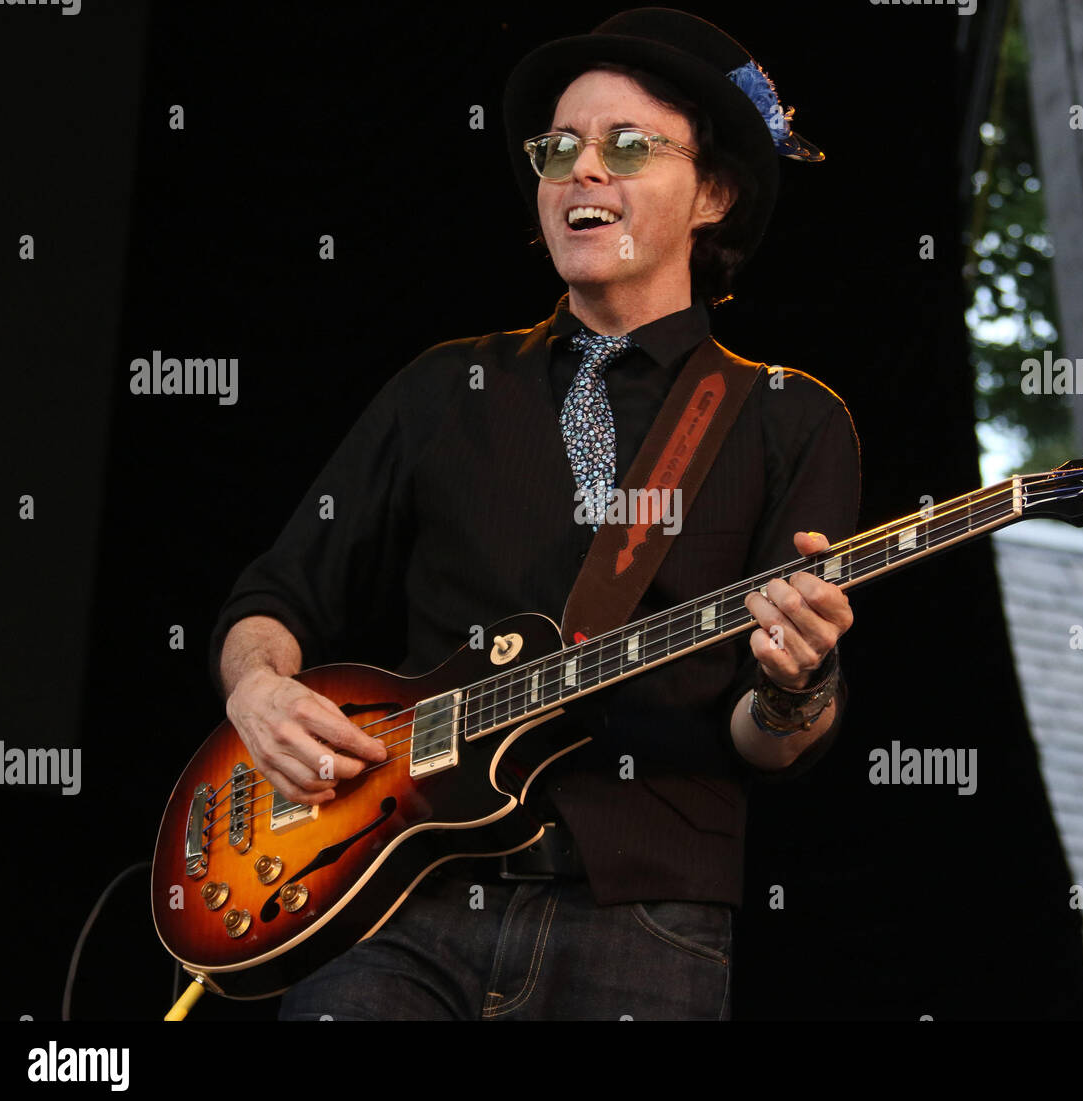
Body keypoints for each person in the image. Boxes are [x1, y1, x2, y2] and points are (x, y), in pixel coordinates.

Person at [210, 8, 860, 1020]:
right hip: (395, 898)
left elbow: (766, 740)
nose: (581, 169)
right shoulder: (443, 386)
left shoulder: (793, 417)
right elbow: (278, 593)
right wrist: (254, 686)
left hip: (645, 918)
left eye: (627, 146)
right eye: (559, 147)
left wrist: (795, 684)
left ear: (715, 194)